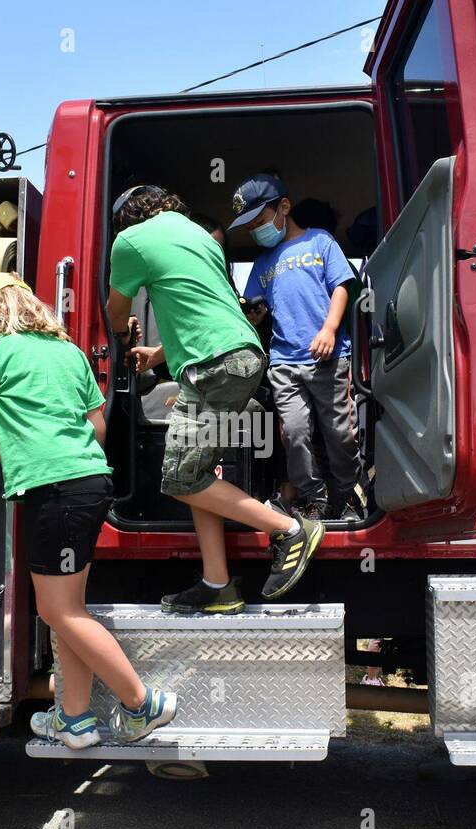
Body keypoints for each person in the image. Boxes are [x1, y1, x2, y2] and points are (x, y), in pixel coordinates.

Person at [0, 272, 177, 748]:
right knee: (69, 610)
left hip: (50, 491)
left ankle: (141, 704)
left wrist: (24, 448)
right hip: (92, 485)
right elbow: (97, 429)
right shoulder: (71, 353)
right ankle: (74, 721)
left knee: (57, 610)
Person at [108, 184, 323, 612]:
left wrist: (122, 331)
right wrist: (159, 354)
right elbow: (208, 310)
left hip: (215, 367)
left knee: (180, 479)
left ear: (127, 217)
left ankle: (288, 529)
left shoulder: (129, 241)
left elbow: (117, 312)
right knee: (198, 473)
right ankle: (217, 583)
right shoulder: (198, 237)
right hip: (236, 356)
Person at [231, 174, 365, 522]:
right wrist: (254, 316)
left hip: (329, 358)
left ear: (284, 208)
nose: (256, 231)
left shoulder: (320, 242)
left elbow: (341, 288)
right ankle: (313, 499)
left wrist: (330, 329)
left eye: (259, 222)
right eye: (250, 228)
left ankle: (348, 496)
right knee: (294, 432)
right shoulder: (262, 264)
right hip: (283, 362)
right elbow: (258, 310)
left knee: (339, 432)